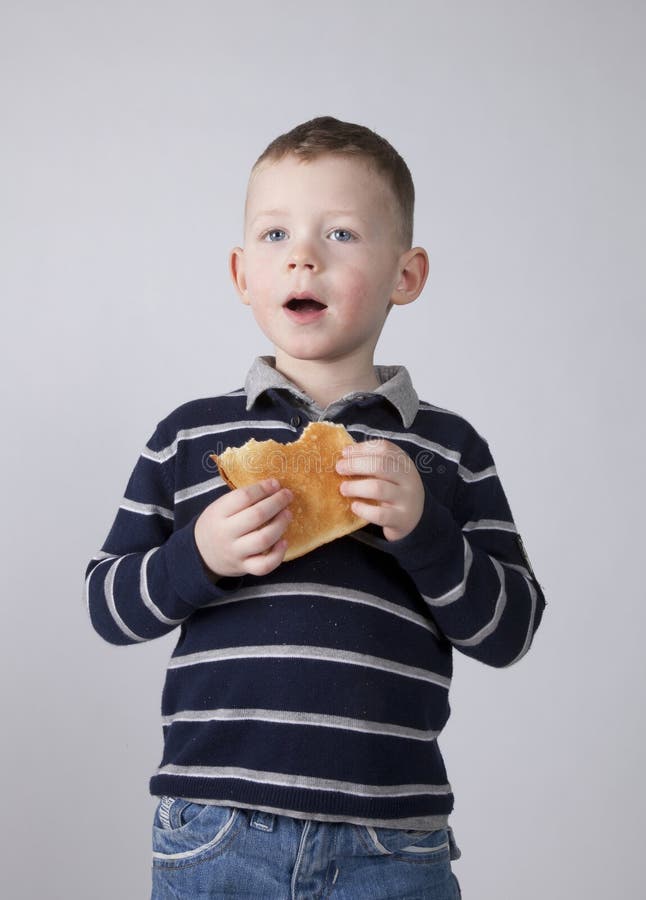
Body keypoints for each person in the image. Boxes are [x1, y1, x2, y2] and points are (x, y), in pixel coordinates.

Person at [85, 116, 546, 899]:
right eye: (274, 235)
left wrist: (425, 531)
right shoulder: (189, 436)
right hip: (216, 826)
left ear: (406, 275)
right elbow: (106, 604)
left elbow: (511, 631)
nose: (303, 254)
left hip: (391, 838)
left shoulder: (447, 450)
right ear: (240, 273)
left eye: (340, 232)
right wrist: (196, 558)